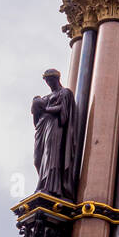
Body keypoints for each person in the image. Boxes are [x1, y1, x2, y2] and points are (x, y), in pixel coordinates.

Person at [31, 70, 81, 202]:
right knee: (38, 159)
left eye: (50, 81)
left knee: (50, 155)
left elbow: (63, 110)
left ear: (56, 79)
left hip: (54, 126)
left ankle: (51, 187)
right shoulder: (46, 97)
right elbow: (36, 116)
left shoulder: (65, 93)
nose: (49, 84)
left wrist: (45, 109)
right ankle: (42, 183)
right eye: (47, 82)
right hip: (42, 126)